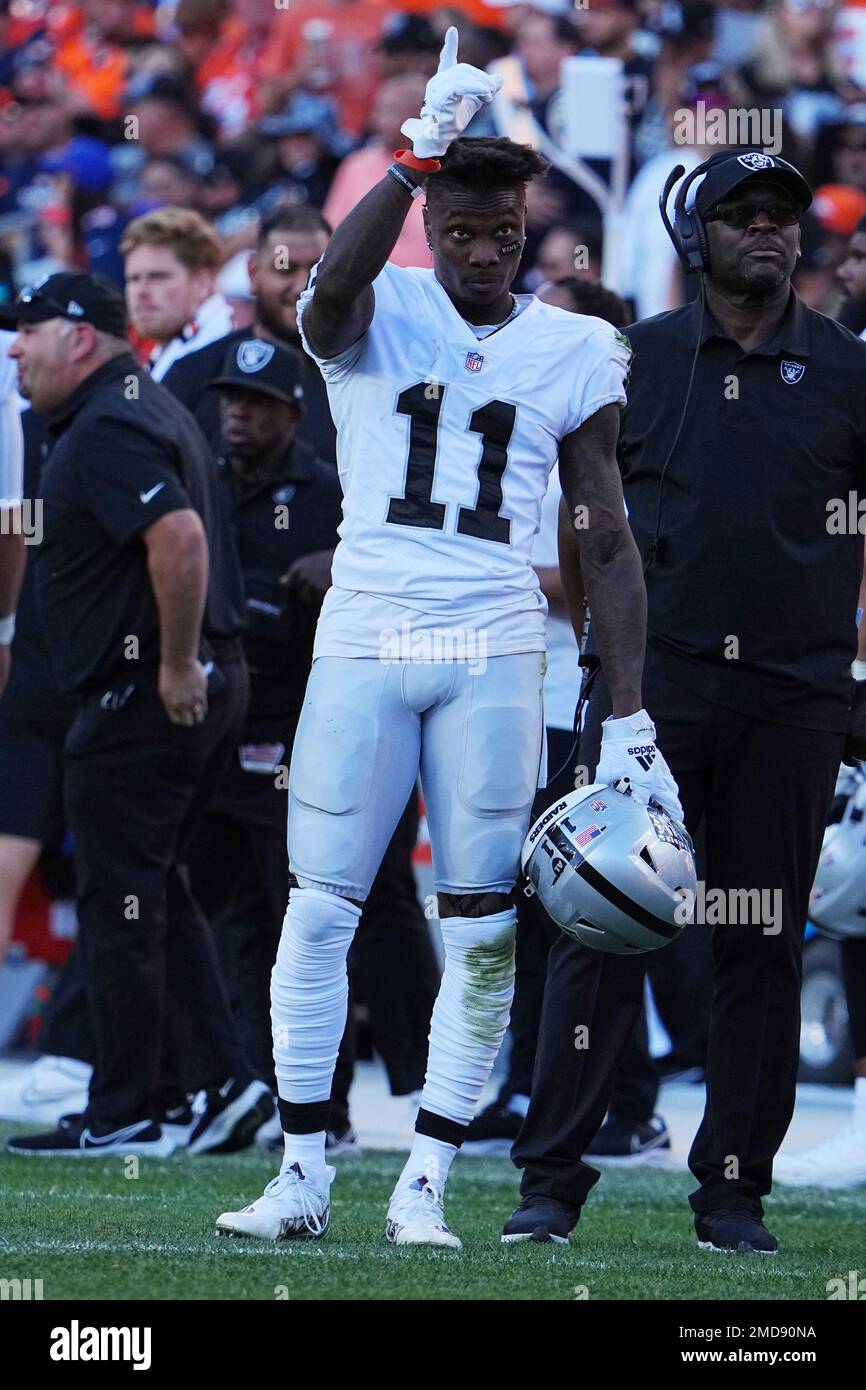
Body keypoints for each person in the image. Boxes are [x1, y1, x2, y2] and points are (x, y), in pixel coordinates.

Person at [216, 29, 679, 1248]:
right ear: (430, 225)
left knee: (475, 923)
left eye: (503, 236)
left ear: (528, 239)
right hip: (367, 630)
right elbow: (323, 296)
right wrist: (411, 162)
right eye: (460, 232)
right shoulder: (383, 298)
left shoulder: (578, 345)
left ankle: (424, 1176)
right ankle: (304, 1166)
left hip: (492, 642)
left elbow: (608, 535)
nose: (481, 254)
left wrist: (623, 713)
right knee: (318, 910)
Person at [501, 150, 866, 1255]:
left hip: (796, 697)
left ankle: (730, 1194)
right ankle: (551, 1181)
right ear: (691, 236)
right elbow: (579, 522)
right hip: (647, 691)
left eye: (780, 215)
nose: (766, 229)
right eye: (740, 214)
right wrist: (607, 685)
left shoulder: (850, 370)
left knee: (755, 940)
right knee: (597, 926)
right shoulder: (627, 359)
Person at [3, 271, 272, 1158]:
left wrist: (173, 662)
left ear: (80, 336)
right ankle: (208, 1088)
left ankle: (133, 1105)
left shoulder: (110, 422)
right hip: (173, 689)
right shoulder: (135, 405)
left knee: (124, 898)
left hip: (145, 699)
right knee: (153, 890)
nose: (15, 349)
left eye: (29, 332)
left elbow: (181, 539)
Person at [161, 205, 336, 461]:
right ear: (253, 273)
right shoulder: (193, 374)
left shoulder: (368, 371)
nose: (302, 286)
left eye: (317, 273)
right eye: (285, 269)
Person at [121, 206, 233, 381]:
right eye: (134, 279)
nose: (141, 292)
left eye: (158, 277)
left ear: (202, 284)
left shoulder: (227, 355)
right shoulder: (164, 350)